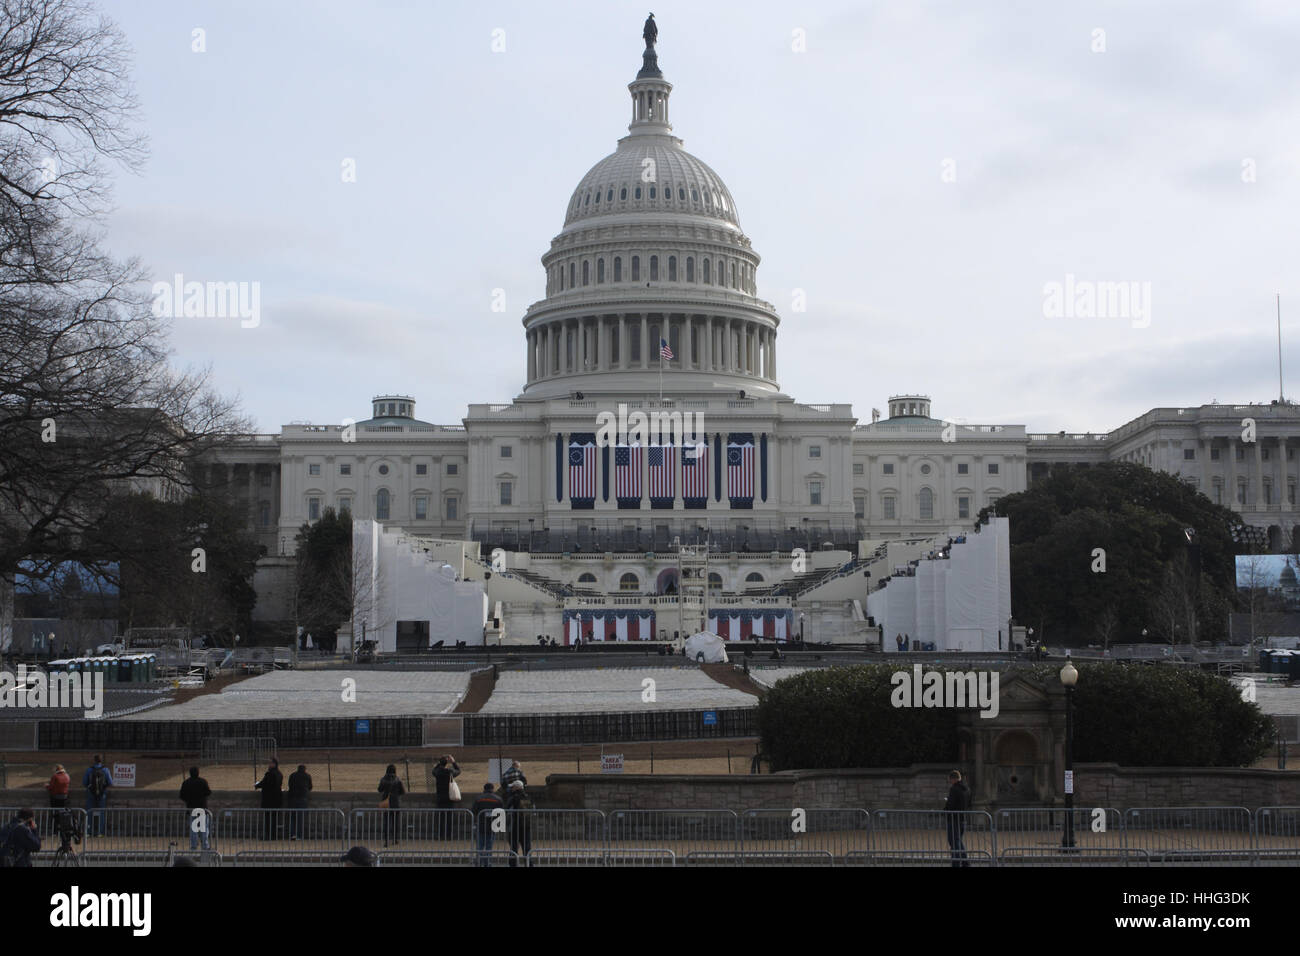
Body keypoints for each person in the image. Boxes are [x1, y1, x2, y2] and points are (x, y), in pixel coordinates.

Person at [179, 766, 212, 851]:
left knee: (193, 829)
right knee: (204, 828)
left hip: (191, 809)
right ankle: (205, 845)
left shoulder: (186, 783)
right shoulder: (203, 782)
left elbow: (182, 796)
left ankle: (194, 845)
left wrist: (188, 799)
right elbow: (208, 792)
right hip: (202, 809)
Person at [471, 783, 504, 867]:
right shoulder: (498, 799)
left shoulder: (478, 799)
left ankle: (479, 862)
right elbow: (501, 812)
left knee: (480, 846)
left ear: (484, 788)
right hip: (492, 825)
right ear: (492, 789)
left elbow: (473, 811)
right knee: (489, 846)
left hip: (480, 824)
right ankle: (487, 863)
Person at [943, 770, 971, 868]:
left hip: (954, 819)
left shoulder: (954, 789)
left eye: (950, 780)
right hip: (963, 818)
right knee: (958, 841)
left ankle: (956, 863)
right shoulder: (967, 789)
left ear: (953, 779)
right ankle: (965, 863)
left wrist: (945, 809)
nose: (950, 782)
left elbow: (951, 804)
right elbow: (969, 803)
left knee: (954, 842)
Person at [504, 779, 532, 867]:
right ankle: (529, 864)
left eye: (513, 787)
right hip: (526, 826)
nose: (511, 788)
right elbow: (533, 810)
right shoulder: (528, 797)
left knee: (514, 847)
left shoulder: (513, 798)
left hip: (515, 826)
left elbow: (507, 810)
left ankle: (513, 864)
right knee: (527, 848)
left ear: (516, 787)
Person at [82, 755, 113, 837]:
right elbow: (110, 782)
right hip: (102, 794)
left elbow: (84, 782)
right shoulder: (105, 770)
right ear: (101, 761)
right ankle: (100, 832)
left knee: (89, 812)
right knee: (101, 813)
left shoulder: (89, 770)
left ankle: (88, 831)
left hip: (91, 793)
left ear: (94, 760)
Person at [254, 757, 283, 840]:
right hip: (277, 799)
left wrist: (257, 785)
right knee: (274, 819)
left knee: (268, 819)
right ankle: (273, 835)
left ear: (274, 764)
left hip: (269, 800)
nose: (269, 765)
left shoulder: (270, 774)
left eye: (270, 763)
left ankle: (268, 835)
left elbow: (265, 783)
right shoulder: (279, 773)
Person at [433, 754, 461, 839]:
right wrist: (453, 762)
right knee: (449, 818)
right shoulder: (449, 772)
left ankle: (441, 835)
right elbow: (458, 770)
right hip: (449, 797)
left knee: (441, 818)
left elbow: (433, 770)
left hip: (440, 797)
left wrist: (439, 763)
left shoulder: (437, 772)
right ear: (446, 763)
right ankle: (448, 835)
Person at [378, 764, 405, 847]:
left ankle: (386, 841)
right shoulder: (398, 780)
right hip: (396, 803)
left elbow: (379, 789)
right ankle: (395, 839)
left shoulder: (383, 779)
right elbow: (403, 792)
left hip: (387, 804)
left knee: (386, 823)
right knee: (395, 822)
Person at [287, 764, 313, 840]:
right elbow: (310, 787)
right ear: (305, 769)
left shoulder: (292, 775)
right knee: (300, 818)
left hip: (292, 798)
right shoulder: (307, 776)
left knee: (292, 818)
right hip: (302, 798)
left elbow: (290, 785)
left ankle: (292, 834)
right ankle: (299, 835)